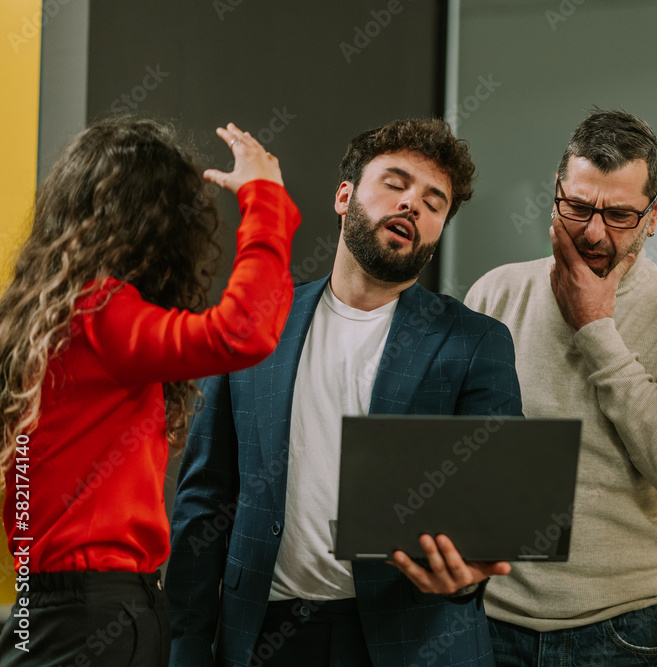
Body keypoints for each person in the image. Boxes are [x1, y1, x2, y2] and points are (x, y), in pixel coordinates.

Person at [165, 117, 522, 667]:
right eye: (395, 183)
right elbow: (205, 496)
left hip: (411, 640)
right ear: (344, 196)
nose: (412, 205)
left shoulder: (476, 342)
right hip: (263, 635)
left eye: (434, 203)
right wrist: (185, 645)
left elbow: (493, 506)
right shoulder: (259, 324)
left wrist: (466, 574)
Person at [0, 117, 299, 666]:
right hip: (74, 607)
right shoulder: (93, 311)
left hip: (81, 607)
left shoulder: (55, 316)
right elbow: (241, 331)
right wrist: (265, 199)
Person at [464, 109, 657, 665]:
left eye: (619, 215)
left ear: (654, 213)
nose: (593, 231)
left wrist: (595, 327)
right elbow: (458, 457)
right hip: (491, 619)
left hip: (621, 629)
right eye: (579, 207)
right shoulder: (495, 293)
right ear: (556, 192)